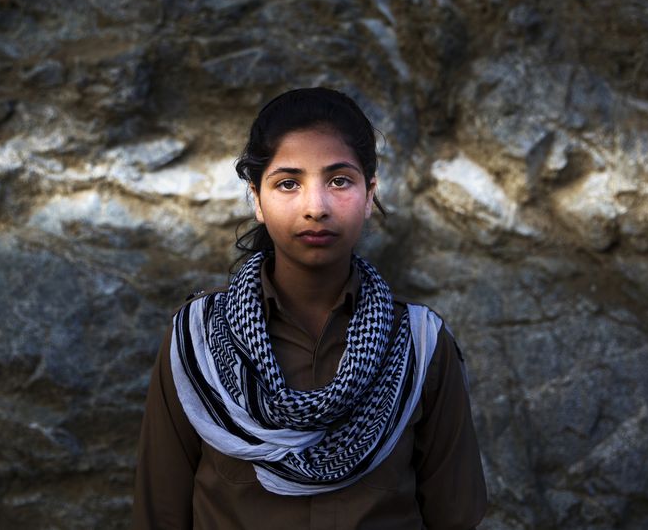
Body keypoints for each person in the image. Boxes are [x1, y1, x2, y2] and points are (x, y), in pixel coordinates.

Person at [132, 88, 487, 529]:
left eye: (339, 181)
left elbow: (455, 518)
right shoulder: (198, 340)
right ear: (256, 199)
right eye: (288, 183)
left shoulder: (420, 345)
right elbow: (160, 515)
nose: (315, 207)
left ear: (370, 194)